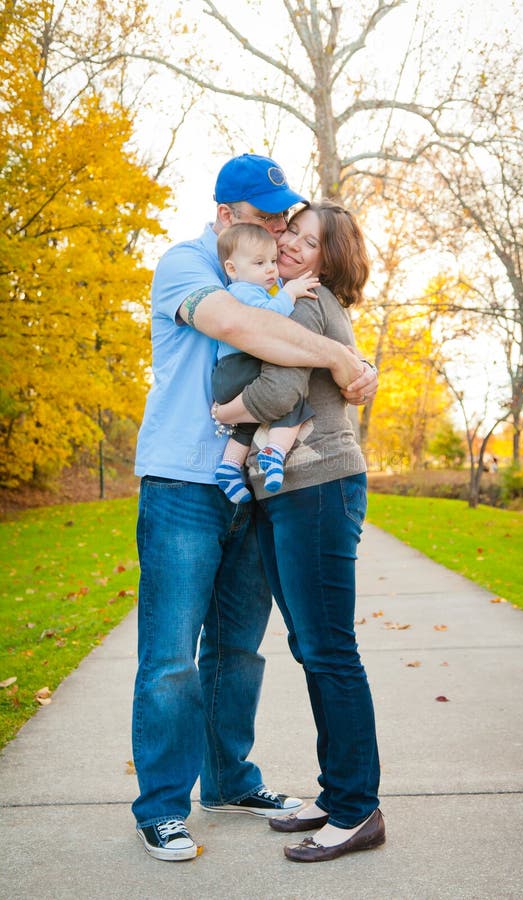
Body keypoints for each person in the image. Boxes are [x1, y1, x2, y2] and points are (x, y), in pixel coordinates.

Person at [132, 154, 378, 862]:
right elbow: (246, 330)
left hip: (257, 493)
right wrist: (339, 359)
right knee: (172, 657)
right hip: (184, 482)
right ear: (223, 215)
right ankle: (161, 807)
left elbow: (312, 323)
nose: (275, 229)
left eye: (282, 217)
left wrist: (345, 358)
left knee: (238, 651)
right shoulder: (186, 264)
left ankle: (232, 782)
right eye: (263, 216)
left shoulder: (275, 273)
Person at [213, 200, 385, 863]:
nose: (292, 248)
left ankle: (358, 809)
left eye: (310, 243)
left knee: (329, 648)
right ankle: (339, 790)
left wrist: (229, 410)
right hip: (299, 490)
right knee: (314, 646)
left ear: (329, 257)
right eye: (293, 236)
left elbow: (282, 388)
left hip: (319, 485)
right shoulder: (294, 298)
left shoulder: (308, 304)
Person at [212, 222, 319, 503]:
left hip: (230, 374)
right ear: (232, 269)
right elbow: (268, 320)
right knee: (292, 402)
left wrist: (281, 287)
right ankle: (275, 453)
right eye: (260, 263)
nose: (271, 268)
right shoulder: (241, 292)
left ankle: (229, 467)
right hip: (241, 367)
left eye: (273, 260)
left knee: (247, 424)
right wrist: (290, 292)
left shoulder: (252, 289)